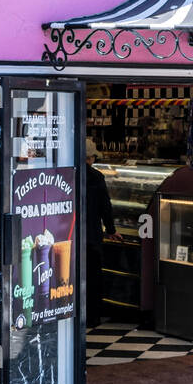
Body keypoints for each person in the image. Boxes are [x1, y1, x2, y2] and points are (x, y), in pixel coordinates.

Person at [83, 140, 112, 327]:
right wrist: (111, 230)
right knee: (93, 278)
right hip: (93, 236)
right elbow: (105, 207)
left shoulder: (70, 174)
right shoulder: (96, 177)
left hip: (72, 235)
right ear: (90, 157)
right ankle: (93, 317)